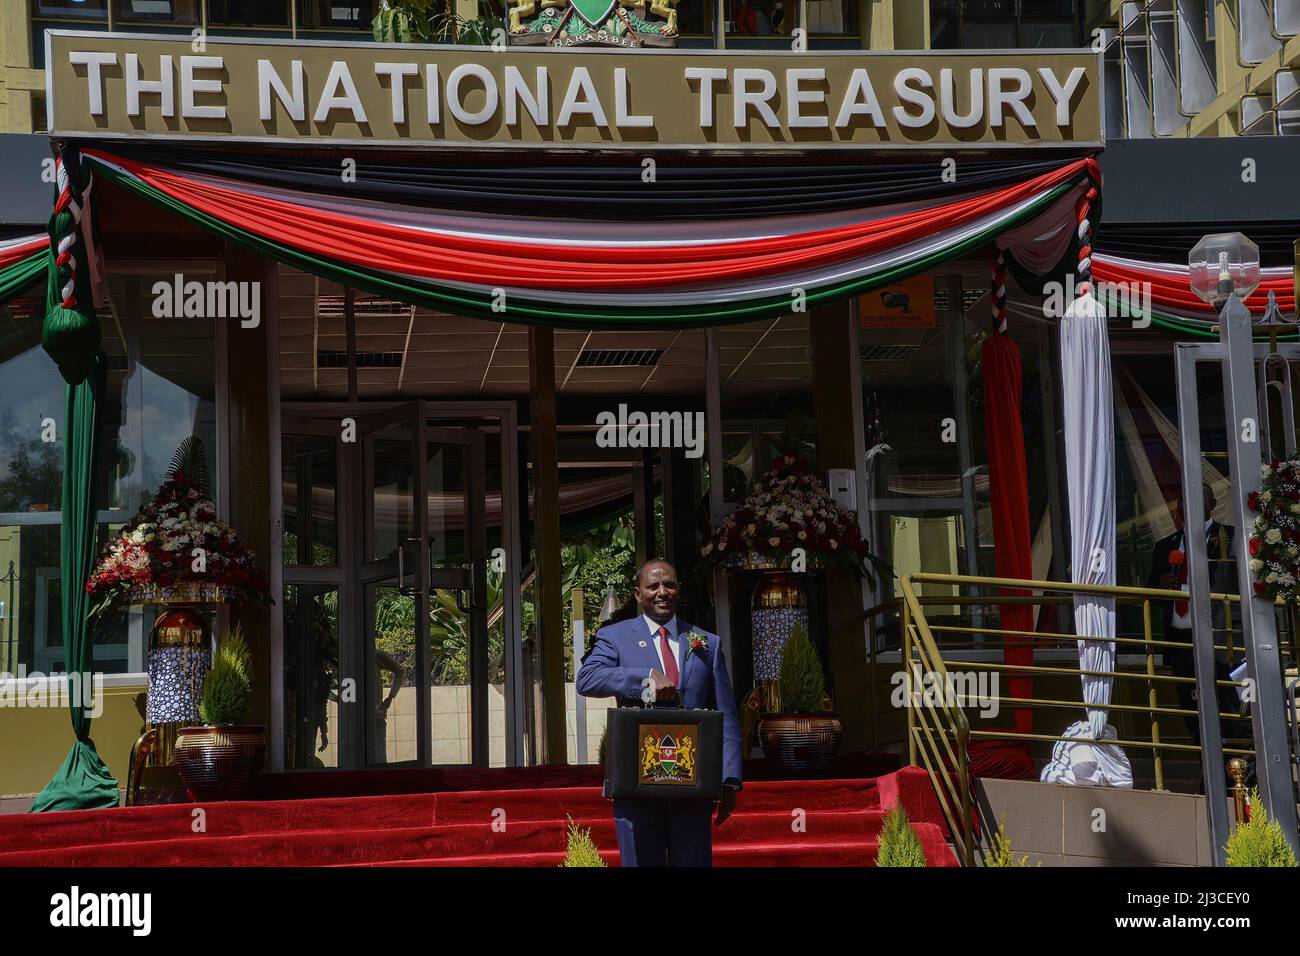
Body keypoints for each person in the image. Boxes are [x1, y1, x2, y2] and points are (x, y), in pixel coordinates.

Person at [576, 559, 742, 867]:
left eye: (670, 585)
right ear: (638, 594)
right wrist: (645, 677)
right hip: (637, 780)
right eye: (653, 586)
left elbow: (726, 713)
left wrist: (729, 777)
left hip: (692, 783)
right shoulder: (615, 637)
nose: (662, 592)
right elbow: (587, 679)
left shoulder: (707, 642)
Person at [1146, 484, 1244, 746]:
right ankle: (1204, 768)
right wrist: (1160, 587)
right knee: (1191, 710)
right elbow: (1150, 595)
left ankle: (1234, 772)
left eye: (1196, 498)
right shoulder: (1166, 545)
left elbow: (1238, 591)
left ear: (1212, 504)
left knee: (1227, 709)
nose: (1186, 504)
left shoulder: (1231, 538)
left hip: (1218, 641)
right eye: (1182, 500)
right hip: (1181, 642)